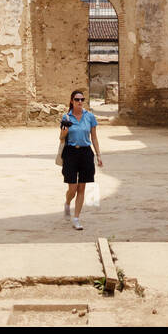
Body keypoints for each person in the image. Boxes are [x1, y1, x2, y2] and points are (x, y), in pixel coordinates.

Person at [59, 89, 102, 230]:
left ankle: (76, 218)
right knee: (72, 188)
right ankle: (67, 202)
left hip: (85, 153)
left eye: (82, 100)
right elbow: (61, 138)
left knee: (82, 187)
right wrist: (64, 131)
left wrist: (99, 155)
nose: (80, 102)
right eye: (77, 100)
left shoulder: (90, 117)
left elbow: (94, 137)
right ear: (72, 101)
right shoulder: (67, 117)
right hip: (71, 153)